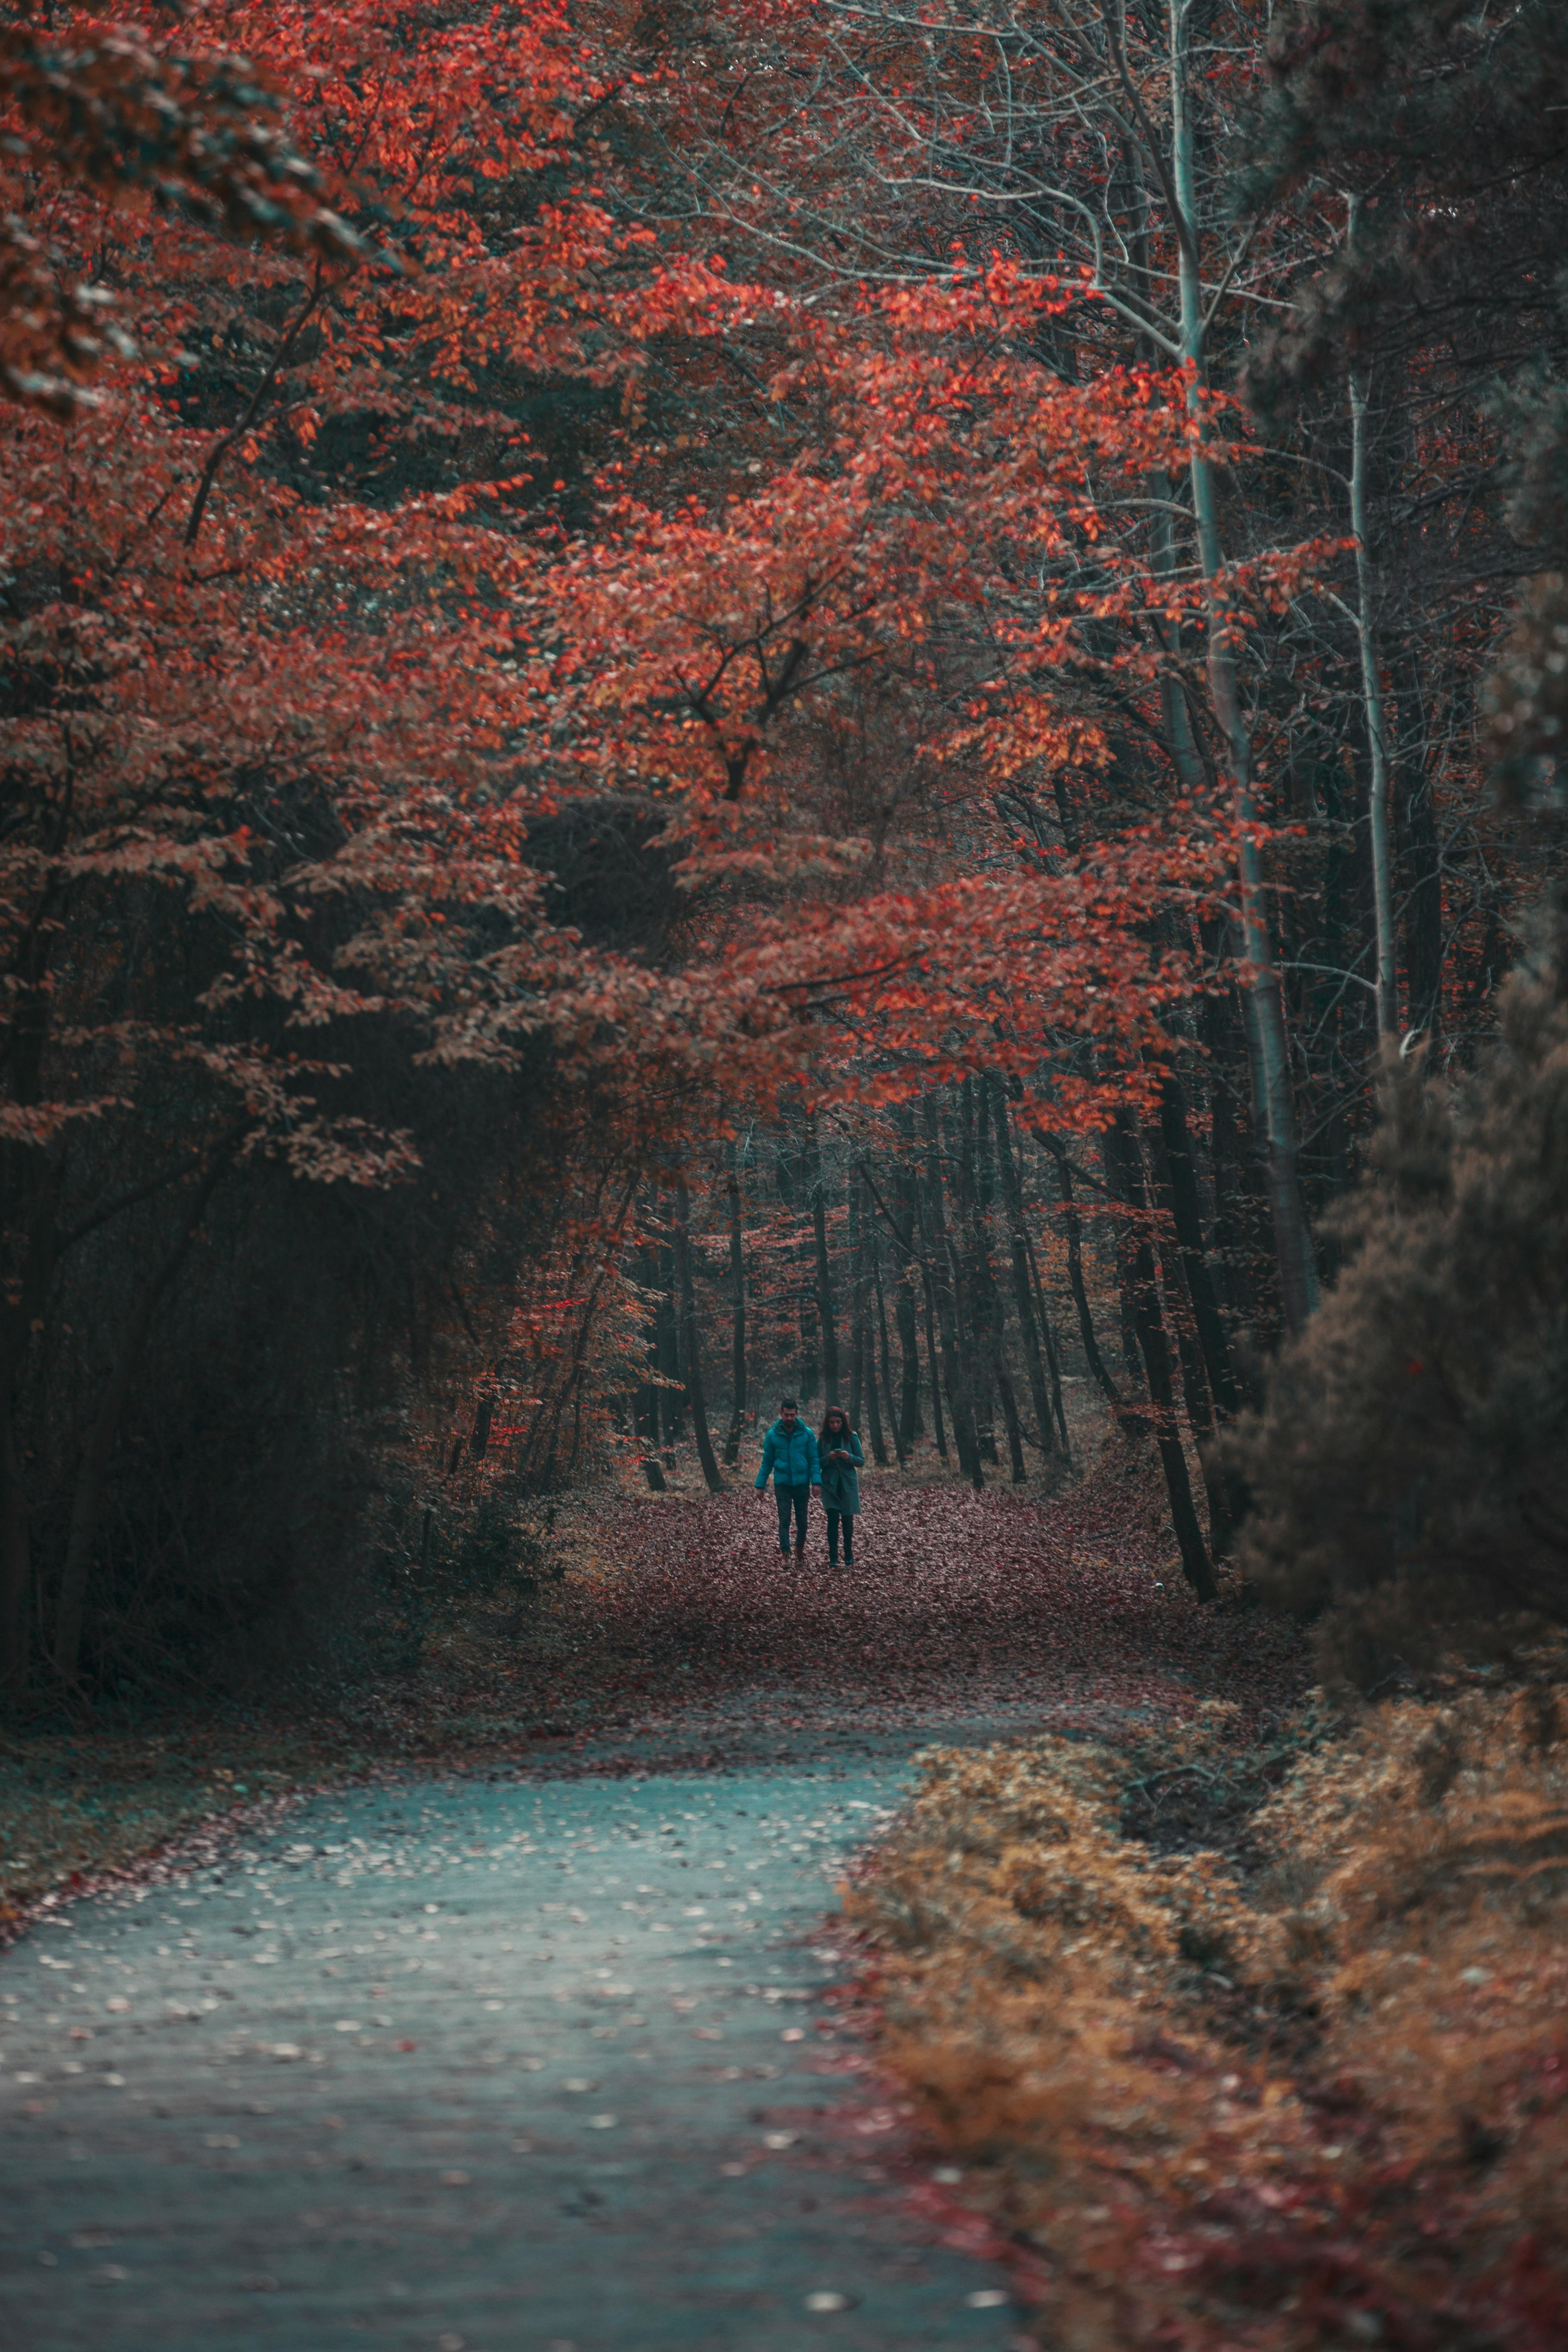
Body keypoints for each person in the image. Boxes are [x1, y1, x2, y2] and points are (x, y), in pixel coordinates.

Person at [754, 1396, 821, 1561]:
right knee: (784, 1519)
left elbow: (814, 1459)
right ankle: (786, 1553)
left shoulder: (807, 1434)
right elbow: (767, 1462)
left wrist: (817, 1483)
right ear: (781, 1414)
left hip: (802, 1483)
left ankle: (799, 1548)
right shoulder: (772, 1435)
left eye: (793, 1415)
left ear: (797, 1414)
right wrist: (760, 1485)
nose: (790, 1418)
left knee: (802, 1521)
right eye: (787, 1415)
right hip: (782, 1483)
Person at [818, 1404, 863, 1567]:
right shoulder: (823, 1439)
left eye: (838, 1422)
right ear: (827, 1423)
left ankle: (849, 1555)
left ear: (843, 1422)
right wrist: (827, 1458)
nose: (835, 1425)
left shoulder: (852, 1437)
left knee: (847, 1521)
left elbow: (861, 1461)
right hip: (830, 1484)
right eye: (832, 1422)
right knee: (832, 1520)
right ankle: (833, 1558)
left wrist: (848, 1456)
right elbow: (816, 1462)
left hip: (848, 1483)